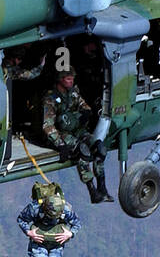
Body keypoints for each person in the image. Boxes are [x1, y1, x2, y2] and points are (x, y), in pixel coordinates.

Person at [41, 70, 112, 203]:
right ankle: (92, 190)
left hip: (78, 129)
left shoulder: (73, 93)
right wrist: (60, 144)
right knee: (83, 151)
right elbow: (47, 126)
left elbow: (83, 105)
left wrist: (86, 112)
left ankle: (102, 188)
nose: (71, 81)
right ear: (60, 80)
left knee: (99, 147)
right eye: (68, 79)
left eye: (72, 79)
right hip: (62, 133)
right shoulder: (50, 99)